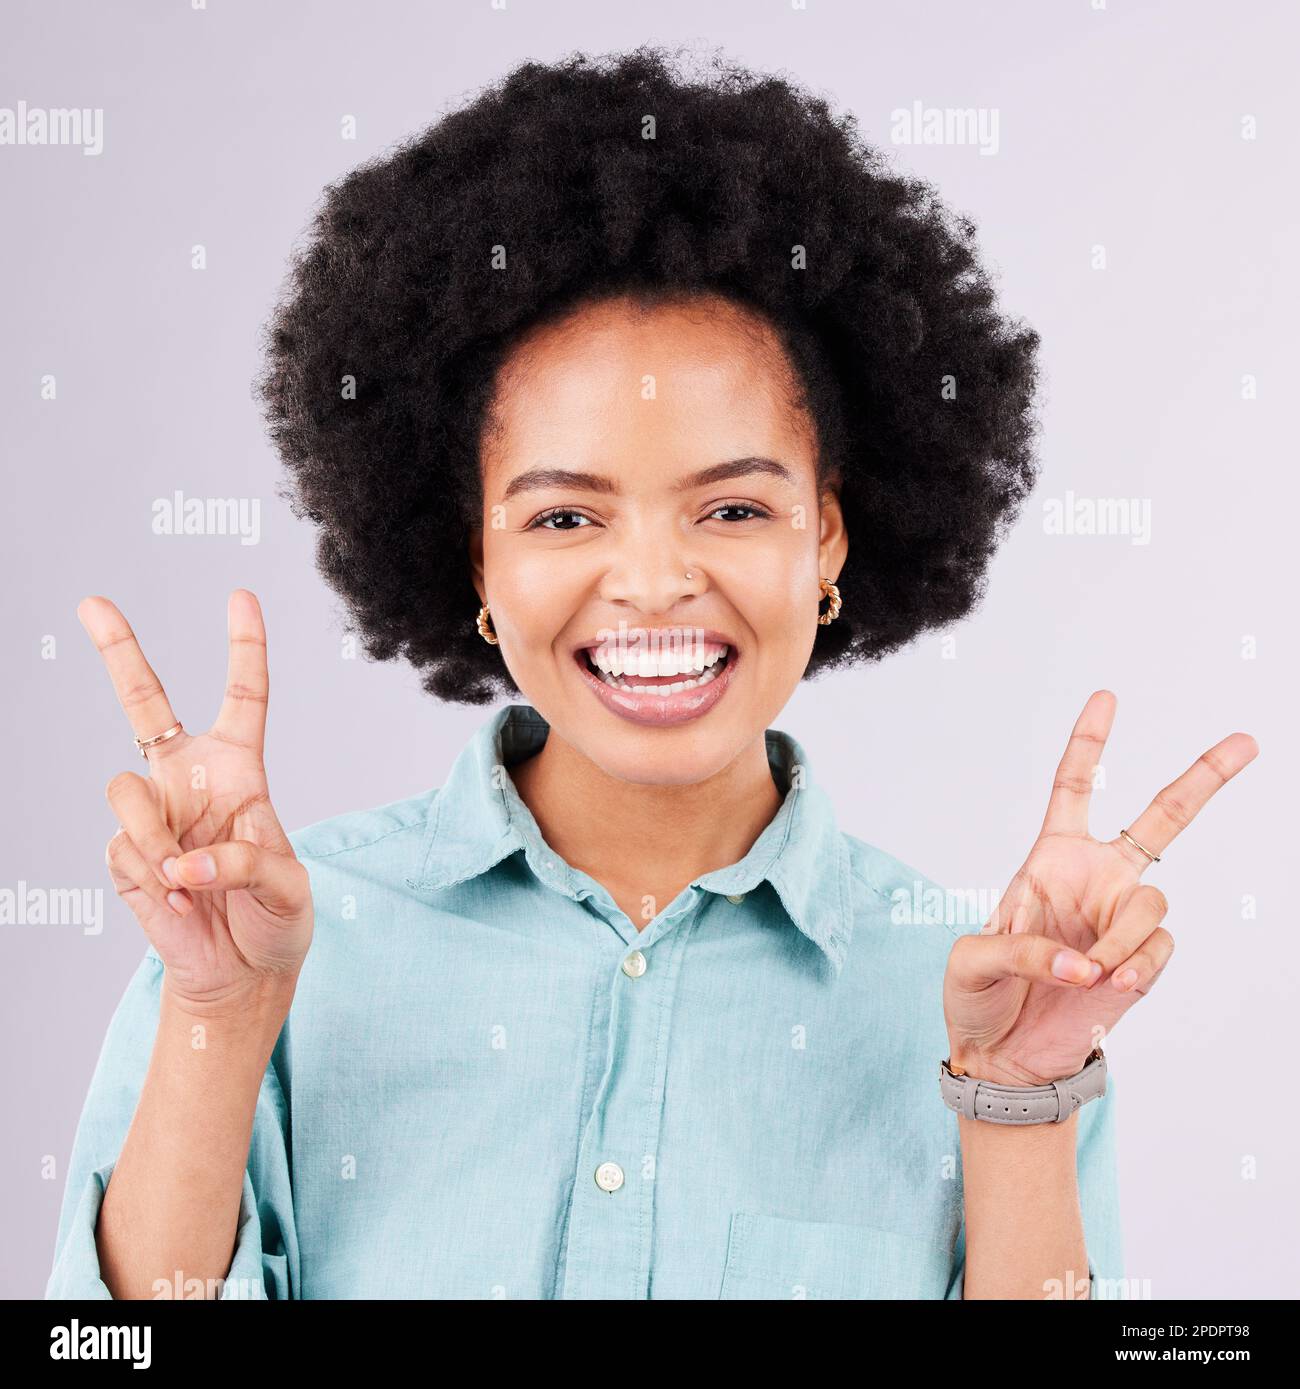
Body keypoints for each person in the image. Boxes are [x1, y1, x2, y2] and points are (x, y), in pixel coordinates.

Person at [47, 47, 1256, 1301]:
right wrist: (223, 1021)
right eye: (566, 519)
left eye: (730, 510)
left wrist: (1014, 1101)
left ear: (827, 536)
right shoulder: (262, 944)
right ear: (474, 554)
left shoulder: (999, 1001)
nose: (652, 582)